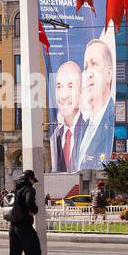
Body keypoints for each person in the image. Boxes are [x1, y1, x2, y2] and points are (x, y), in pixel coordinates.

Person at [75, 39, 116, 169]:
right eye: (86, 67)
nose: (88, 74)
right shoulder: (84, 125)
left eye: (94, 64)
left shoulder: (114, 120)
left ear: (108, 74)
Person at [5, 170, 44, 255]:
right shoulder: (29, 189)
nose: (33, 183)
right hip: (24, 226)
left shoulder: (14, 190)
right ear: (30, 178)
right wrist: (34, 209)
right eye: (33, 180)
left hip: (13, 226)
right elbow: (29, 201)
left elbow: (5, 203)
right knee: (34, 252)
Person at [49, 60, 87, 173]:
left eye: (70, 86)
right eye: (59, 87)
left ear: (81, 90)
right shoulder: (55, 135)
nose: (64, 95)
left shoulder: (90, 131)